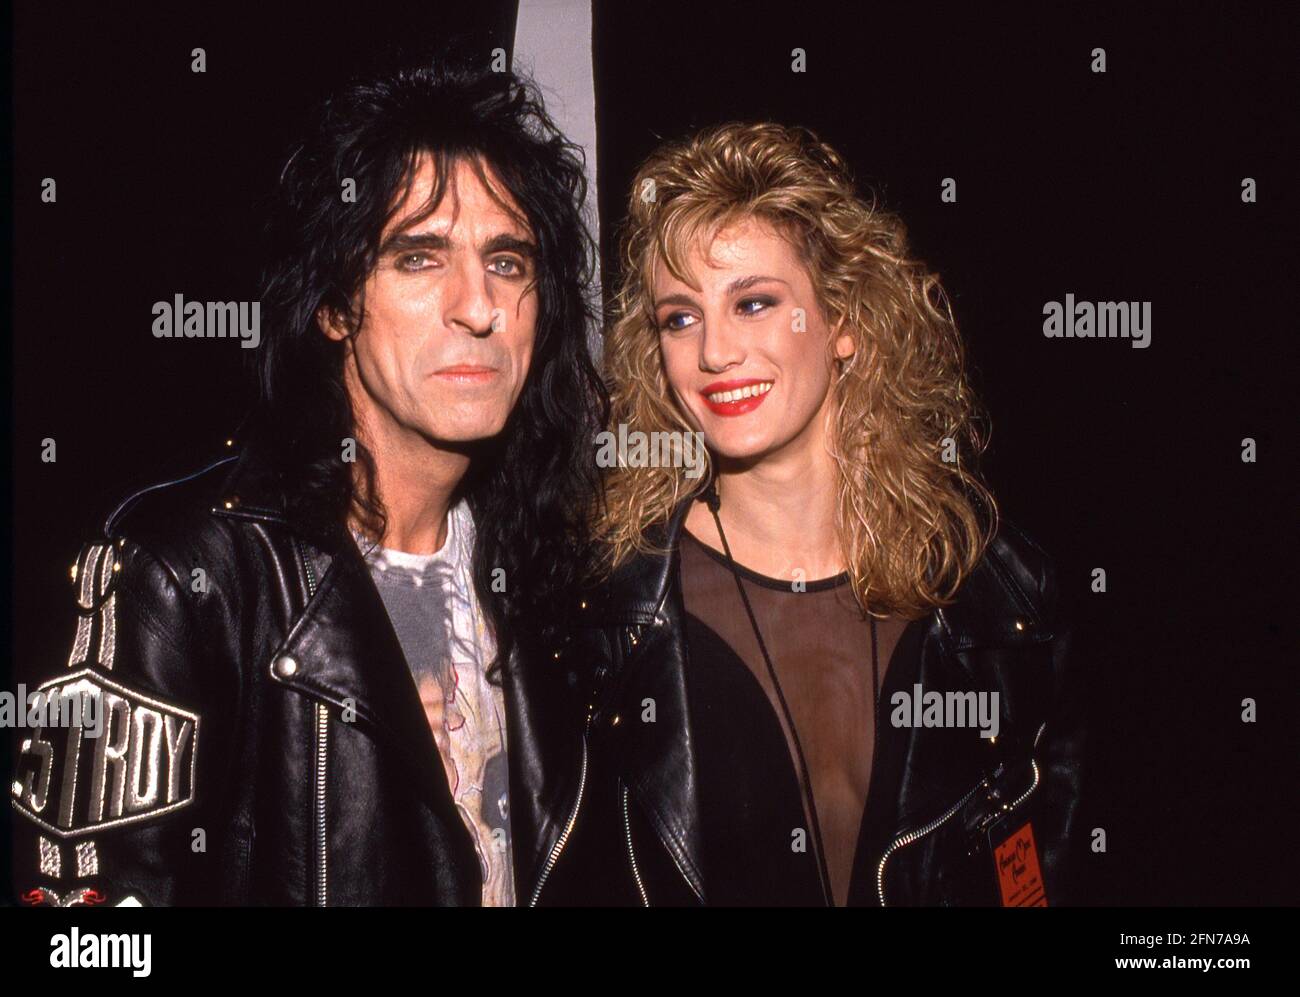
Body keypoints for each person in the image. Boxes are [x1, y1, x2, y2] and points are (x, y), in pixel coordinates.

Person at [10, 57, 608, 906]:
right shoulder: (179, 576)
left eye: (508, 262)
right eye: (418, 258)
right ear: (333, 305)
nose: (478, 306)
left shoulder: (552, 576)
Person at [580, 121, 1085, 906]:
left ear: (843, 322)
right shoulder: (608, 614)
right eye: (680, 317)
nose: (714, 352)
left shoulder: (997, 597)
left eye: (753, 302)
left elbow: (1037, 872)